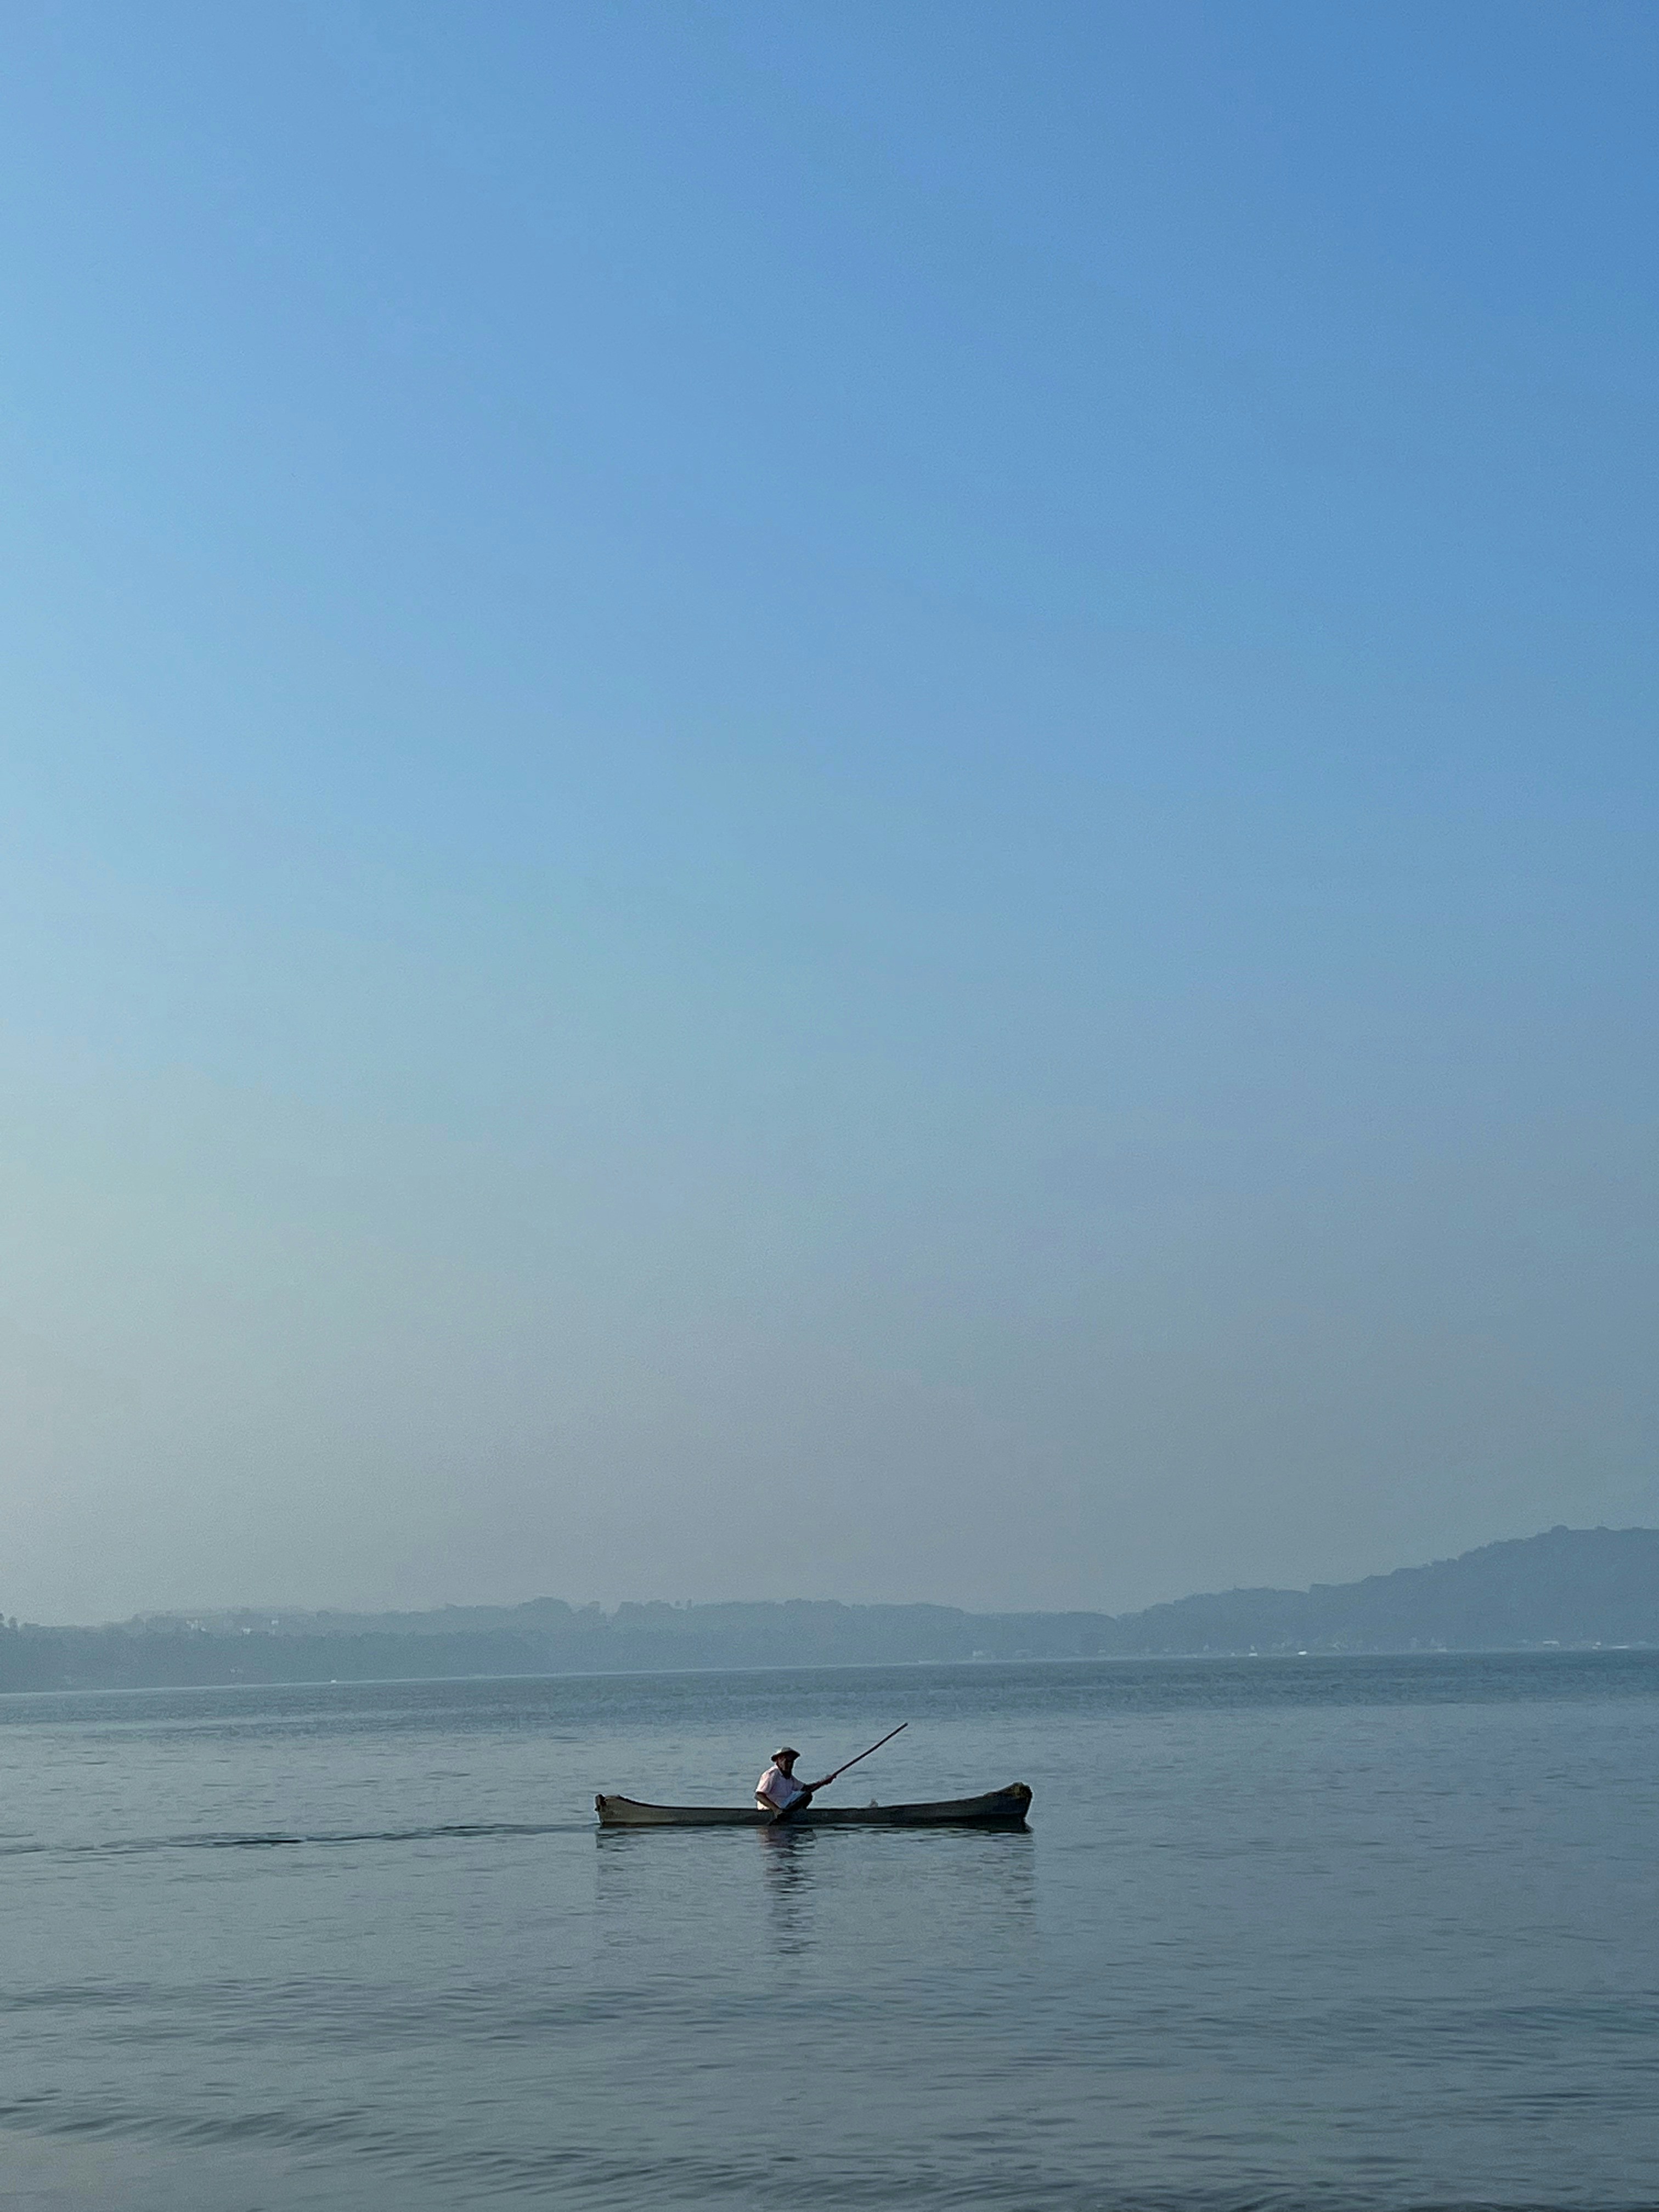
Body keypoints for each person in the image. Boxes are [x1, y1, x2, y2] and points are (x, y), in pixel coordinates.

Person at [755, 1746, 829, 1820]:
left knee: (806, 1795)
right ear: (779, 1761)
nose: (790, 1765)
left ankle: (795, 1816)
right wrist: (776, 1810)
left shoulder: (789, 1777)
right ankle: (791, 1816)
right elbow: (759, 1795)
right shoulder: (772, 1774)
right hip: (769, 1809)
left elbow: (805, 1789)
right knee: (805, 1795)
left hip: (783, 1807)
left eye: (792, 1762)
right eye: (787, 1762)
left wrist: (823, 1782)